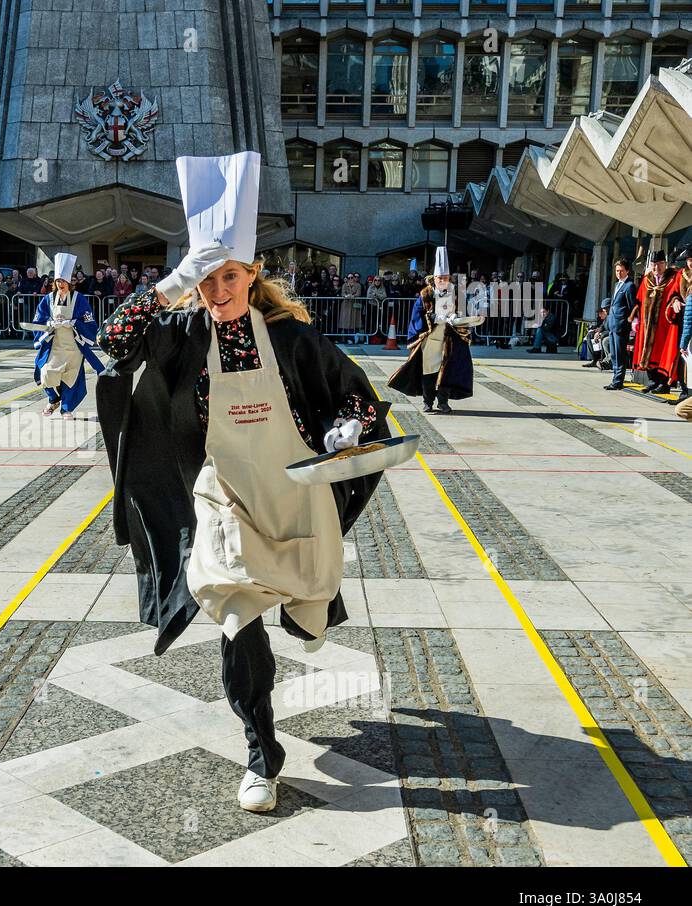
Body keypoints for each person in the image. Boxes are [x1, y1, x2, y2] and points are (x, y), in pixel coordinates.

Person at [95, 152, 389, 814]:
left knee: (305, 604)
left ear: (253, 275)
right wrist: (173, 284)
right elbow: (114, 345)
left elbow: (356, 397)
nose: (219, 291)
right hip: (220, 491)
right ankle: (262, 749)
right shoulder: (181, 330)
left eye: (230, 277)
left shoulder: (289, 336)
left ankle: (305, 608)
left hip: (293, 490)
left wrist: (347, 429)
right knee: (235, 611)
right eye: (208, 279)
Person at [387, 246, 475, 414]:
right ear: (434, 278)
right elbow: (417, 315)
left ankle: (443, 402)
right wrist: (433, 318)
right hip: (431, 339)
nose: (443, 280)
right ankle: (428, 402)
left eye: (445, 277)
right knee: (428, 371)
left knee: (448, 371)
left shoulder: (456, 294)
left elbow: (463, 313)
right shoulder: (425, 294)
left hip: (450, 338)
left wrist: (457, 319)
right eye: (440, 277)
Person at [26, 252, 104, 419]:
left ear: (69, 283)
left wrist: (74, 323)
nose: (61, 284)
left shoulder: (79, 299)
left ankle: (66, 408)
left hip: (74, 346)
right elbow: (39, 319)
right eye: (58, 281)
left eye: (63, 281)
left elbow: (88, 320)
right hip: (54, 345)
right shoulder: (47, 299)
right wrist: (49, 325)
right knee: (46, 372)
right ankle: (53, 399)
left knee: (71, 377)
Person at [631, 250, 681, 393]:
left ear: (665, 264)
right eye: (653, 264)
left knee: (662, 353)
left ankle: (664, 384)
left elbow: (676, 295)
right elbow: (639, 301)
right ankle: (653, 381)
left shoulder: (673, 279)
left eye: (660, 264)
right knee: (647, 353)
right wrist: (635, 319)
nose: (656, 268)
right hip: (646, 326)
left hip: (664, 326)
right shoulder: (647, 280)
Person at [604, 258, 637, 390]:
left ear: (627, 271)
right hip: (613, 324)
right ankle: (615, 378)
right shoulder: (617, 284)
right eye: (617, 271)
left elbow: (632, 306)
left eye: (621, 271)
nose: (619, 273)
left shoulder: (629, 286)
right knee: (613, 353)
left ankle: (618, 381)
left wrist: (629, 321)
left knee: (619, 353)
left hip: (621, 324)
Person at [669, 247, 692, 403]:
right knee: (682, 358)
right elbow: (674, 293)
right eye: (689, 260)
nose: (691, 264)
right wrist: (675, 301)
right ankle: (684, 391)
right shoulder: (681, 275)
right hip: (682, 319)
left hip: (689, 319)